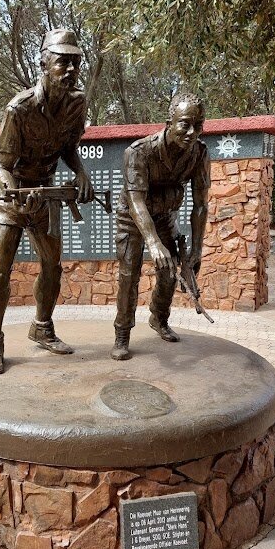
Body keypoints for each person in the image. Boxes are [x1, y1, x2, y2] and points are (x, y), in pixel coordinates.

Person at [0, 29, 94, 375]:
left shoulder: (77, 104)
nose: (71, 69)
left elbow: (67, 148)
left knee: (52, 265)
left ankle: (42, 328)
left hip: (45, 193)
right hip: (12, 195)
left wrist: (81, 173)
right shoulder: (20, 108)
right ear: (43, 63)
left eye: (76, 62)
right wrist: (14, 196)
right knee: (0, 271)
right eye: (63, 61)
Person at [110, 93, 210, 360]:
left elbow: (200, 204)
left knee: (169, 272)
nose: (192, 132)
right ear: (170, 122)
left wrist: (197, 248)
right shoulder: (138, 151)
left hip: (165, 216)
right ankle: (122, 333)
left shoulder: (199, 153)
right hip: (133, 217)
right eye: (185, 124)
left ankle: (159, 318)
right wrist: (153, 242)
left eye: (198, 125)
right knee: (129, 275)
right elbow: (136, 199)